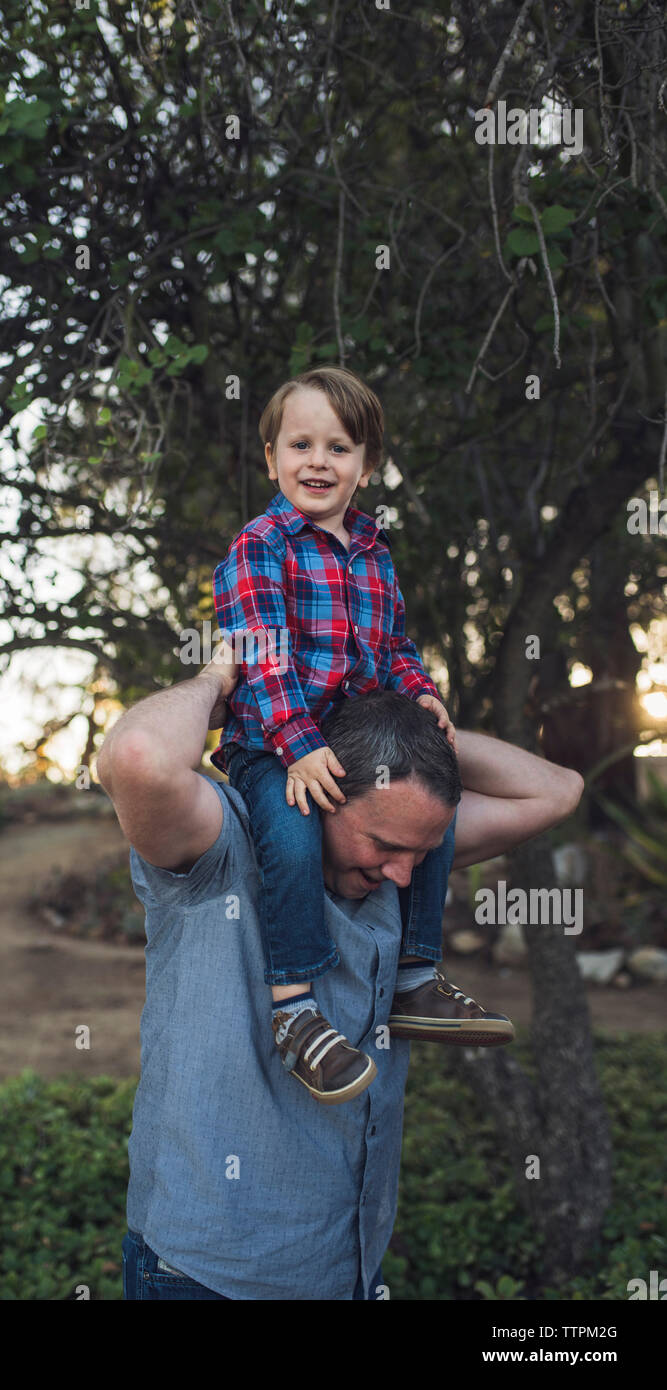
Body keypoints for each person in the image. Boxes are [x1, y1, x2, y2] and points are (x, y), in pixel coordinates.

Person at [97, 655, 583, 1300]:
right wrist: (218, 682)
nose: (405, 876)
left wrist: (419, 734)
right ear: (316, 792)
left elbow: (558, 790)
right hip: (209, 1278)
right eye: (383, 845)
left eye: (422, 852)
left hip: (347, 1268)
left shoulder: (400, 849)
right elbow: (135, 756)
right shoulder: (220, 845)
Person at [211, 366, 511, 1104]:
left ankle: (413, 975)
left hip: (358, 741)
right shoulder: (260, 546)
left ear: (366, 465)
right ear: (272, 458)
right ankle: (294, 1007)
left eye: (339, 447)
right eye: (300, 444)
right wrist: (294, 739)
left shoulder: (374, 553)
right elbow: (260, 648)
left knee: (427, 817)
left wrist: (421, 693)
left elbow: (397, 647)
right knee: (290, 830)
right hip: (271, 743)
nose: (318, 461)